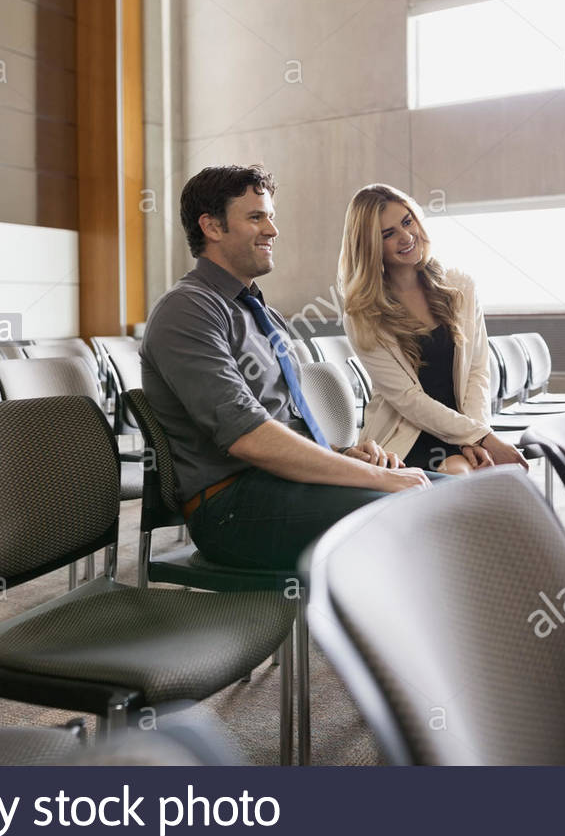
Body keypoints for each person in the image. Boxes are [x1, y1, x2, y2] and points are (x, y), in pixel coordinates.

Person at [140, 165, 430, 571]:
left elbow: (287, 429)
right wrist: (374, 479)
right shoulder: (188, 310)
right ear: (212, 227)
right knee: (417, 512)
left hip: (281, 485)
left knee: (449, 492)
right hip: (233, 509)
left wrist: (347, 456)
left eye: (271, 216)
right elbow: (247, 436)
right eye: (256, 217)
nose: (272, 230)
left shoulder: (264, 315)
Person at [338, 183, 527, 475]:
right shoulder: (362, 314)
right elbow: (409, 400)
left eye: (407, 221)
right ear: (370, 246)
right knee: (460, 473)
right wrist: (479, 437)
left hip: (463, 422)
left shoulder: (460, 286)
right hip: (407, 432)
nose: (406, 237)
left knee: (485, 472)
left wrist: (477, 436)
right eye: (388, 234)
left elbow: (477, 371)